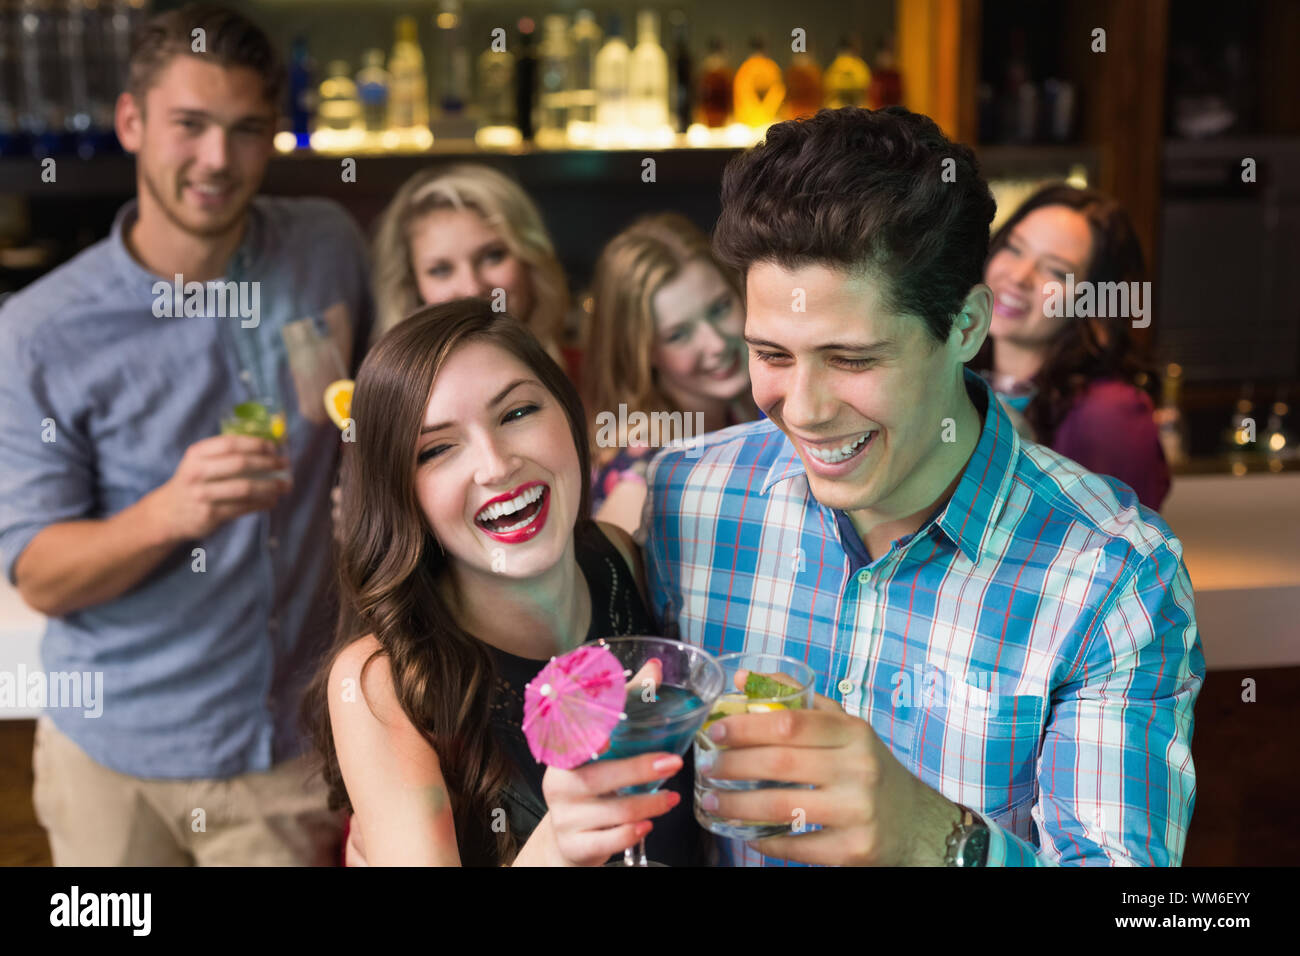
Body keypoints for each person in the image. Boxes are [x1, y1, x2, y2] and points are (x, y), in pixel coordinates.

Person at [638, 107, 1204, 866]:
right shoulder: (687, 499)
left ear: (967, 325)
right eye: (772, 353)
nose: (802, 411)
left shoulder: (1113, 577)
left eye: (853, 359)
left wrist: (927, 837)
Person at [0, 4, 371, 865]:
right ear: (132, 122)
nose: (216, 159)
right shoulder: (39, 331)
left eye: (245, 130)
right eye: (190, 126)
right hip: (111, 760)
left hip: (287, 756)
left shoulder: (326, 248)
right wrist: (172, 511)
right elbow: (40, 576)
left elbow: (395, 404)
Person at [302, 299, 706, 866]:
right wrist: (557, 850)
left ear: (568, 414)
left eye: (517, 413)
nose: (495, 465)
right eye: (438, 448)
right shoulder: (382, 683)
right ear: (403, 496)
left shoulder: (621, 557)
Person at [974, 183, 1170, 510]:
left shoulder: (1106, 414)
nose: (1019, 277)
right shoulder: (951, 376)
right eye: (1014, 247)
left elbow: (1122, 553)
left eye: (1056, 271)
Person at [581, 212, 757, 533]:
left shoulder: (744, 409)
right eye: (678, 334)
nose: (716, 343)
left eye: (720, 308)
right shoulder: (646, 472)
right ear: (641, 353)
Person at [370, 162, 572, 372]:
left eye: (493, 256)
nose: (472, 289)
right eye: (441, 270)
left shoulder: (591, 379)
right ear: (412, 287)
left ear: (530, 260)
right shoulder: (392, 399)